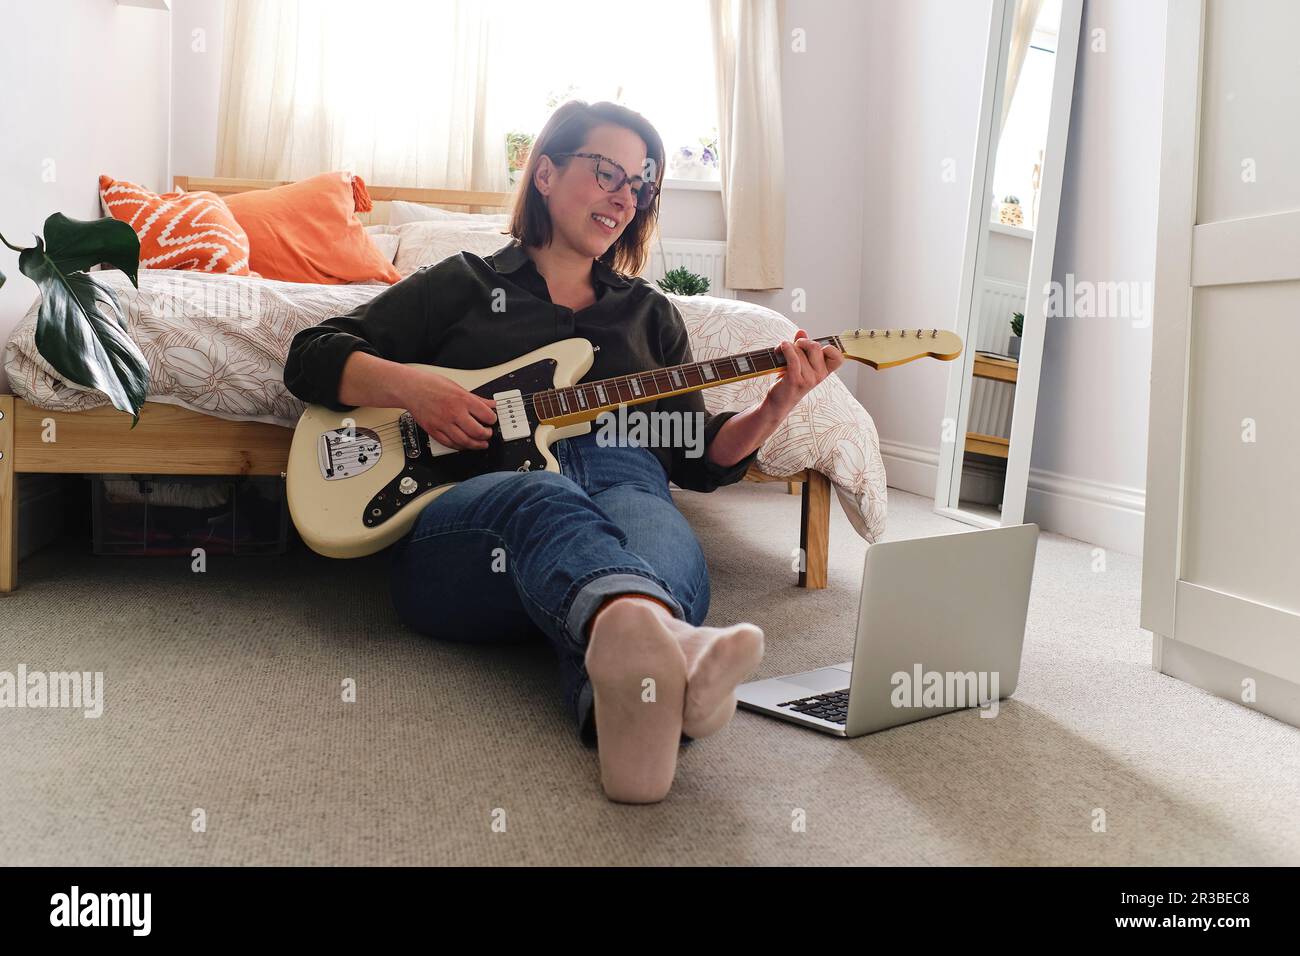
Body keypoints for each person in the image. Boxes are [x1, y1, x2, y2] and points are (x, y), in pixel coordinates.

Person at [284, 100, 844, 803]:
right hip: (480, 524)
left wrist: (779, 401)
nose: (625, 196)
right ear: (544, 172)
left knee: (663, 540)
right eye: (608, 172)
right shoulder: (462, 282)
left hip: (623, 476)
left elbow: (698, 457)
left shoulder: (651, 315)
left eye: (638, 186)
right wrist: (413, 390)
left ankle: (630, 661)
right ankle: (665, 645)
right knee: (546, 499)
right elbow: (310, 355)